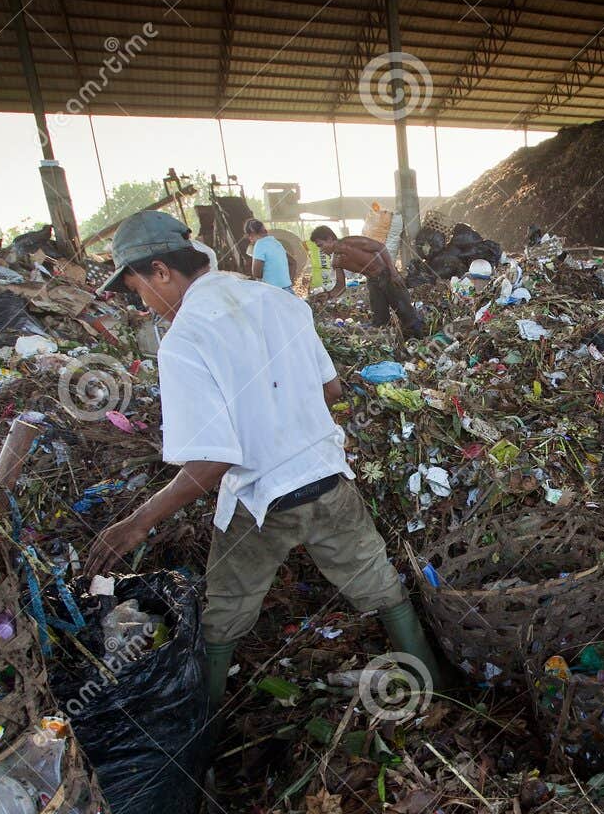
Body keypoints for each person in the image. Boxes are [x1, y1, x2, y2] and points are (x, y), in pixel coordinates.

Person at [84, 210, 440, 708]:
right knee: (380, 585)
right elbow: (332, 389)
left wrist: (139, 522)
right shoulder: (281, 302)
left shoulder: (184, 339)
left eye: (139, 290)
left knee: (224, 612)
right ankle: (439, 693)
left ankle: (202, 737)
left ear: (161, 271)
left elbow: (210, 463)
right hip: (329, 481)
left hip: (262, 503)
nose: (144, 304)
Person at [309, 225, 424, 336]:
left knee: (406, 313)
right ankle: (391, 343)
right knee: (380, 319)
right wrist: (328, 295)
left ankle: (422, 340)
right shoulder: (336, 262)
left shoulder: (351, 242)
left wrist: (393, 272)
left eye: (321, 245)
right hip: (373, 282)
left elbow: (381, 247)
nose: (321, 250)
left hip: (387, 275)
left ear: (329, 239)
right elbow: (341, 286)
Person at [244, 218, 296, 290]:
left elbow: (256, 273)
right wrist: (290, 282)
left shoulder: (260, 244)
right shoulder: (276, 242)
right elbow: (293, 262)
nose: (250, 239)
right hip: (287, 289)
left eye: (249, 236)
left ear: (252, 234)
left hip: (272, 291)